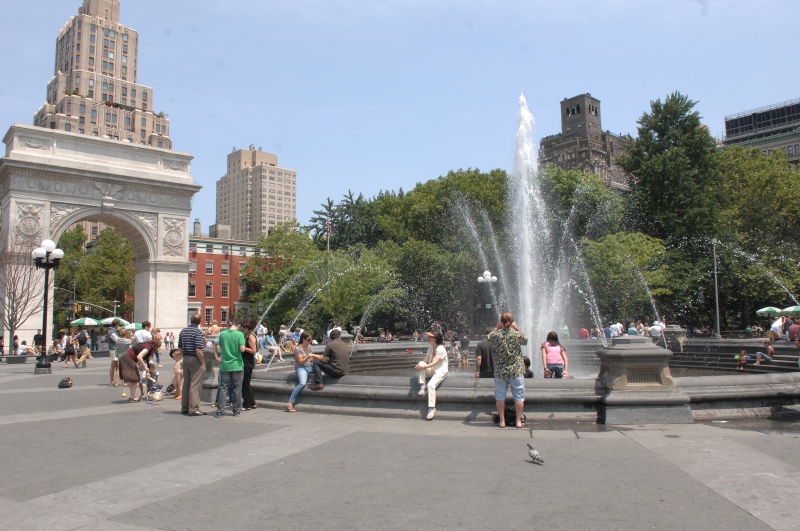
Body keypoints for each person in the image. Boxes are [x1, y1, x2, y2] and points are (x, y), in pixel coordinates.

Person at [488, 312, 528, 428]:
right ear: (512, 321)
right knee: (519, 396)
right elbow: (525, 339)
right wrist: (516, 327)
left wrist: (497, 327)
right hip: (516, 371)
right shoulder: (516, 335)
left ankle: (502, 421)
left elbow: (489, 337)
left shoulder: (497, 335)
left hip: (501, 371)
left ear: (501, 321)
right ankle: (518, 421)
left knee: (500, 396)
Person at [213, 321, 246, 417]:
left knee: (223, 388)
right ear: (238, 325)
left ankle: (220, 411)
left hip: (225, 365)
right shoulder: (239, 334)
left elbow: (214, 344)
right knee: (237, 388)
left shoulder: (222, 334)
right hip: (237, 365)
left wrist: (216, 356)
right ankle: (236, 410)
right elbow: (242, 349)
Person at [415, 331, 448, 421]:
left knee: (431, 385)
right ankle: (422, 385)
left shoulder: (441, 348)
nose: (428, 338)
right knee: (421, 363)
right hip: (432, 369)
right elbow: (426, 360)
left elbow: (436, 362)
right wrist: (420, 365)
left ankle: (431, 408)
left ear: (435, 339)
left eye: (430, 337)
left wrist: (424, 366)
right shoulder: (430, 347)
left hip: (440, 371)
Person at [286, 332, 323, 412]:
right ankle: (290, 402)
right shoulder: (297, 349)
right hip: (301, 368)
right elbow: (300, 361)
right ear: (303, 339)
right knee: (302, 383)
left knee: (321, 372)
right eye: (309, 340)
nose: (310, 341)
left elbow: (311, 360)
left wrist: (317, 358)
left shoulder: (309, 347)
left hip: (310, 366)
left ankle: (318, 384)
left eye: (311, 339)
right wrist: (309, 356)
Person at [179, 314, 208, 416]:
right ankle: (193, 408)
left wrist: (184, 358)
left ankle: (185, 407)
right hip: (195, 358)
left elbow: (180, 348)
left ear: (190, 320)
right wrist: (202, 361)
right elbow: (198, 349)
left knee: (186, 383)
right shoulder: (197, 332)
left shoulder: (183, 331)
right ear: (199, 321)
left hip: (186, 358)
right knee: (195, 384)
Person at [240, 319, 259, 411]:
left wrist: (243, 348)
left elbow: (254, 350)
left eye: (245, 328)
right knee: (246, 383)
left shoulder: (251, 337)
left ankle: (247, 404)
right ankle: (252, 402)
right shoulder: (246, 335)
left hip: (248, 361)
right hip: (245, 360)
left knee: (245, 383)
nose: (243, 329)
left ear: (249, 328)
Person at [106, 319, 122, 387]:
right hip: (115, 349)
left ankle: (112, 380)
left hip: (112, 349)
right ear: (117, 324)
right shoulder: (112, 332)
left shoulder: (111, 331)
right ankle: (116, 382)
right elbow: (117, 340)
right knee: (117, 366)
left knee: (113, 366)